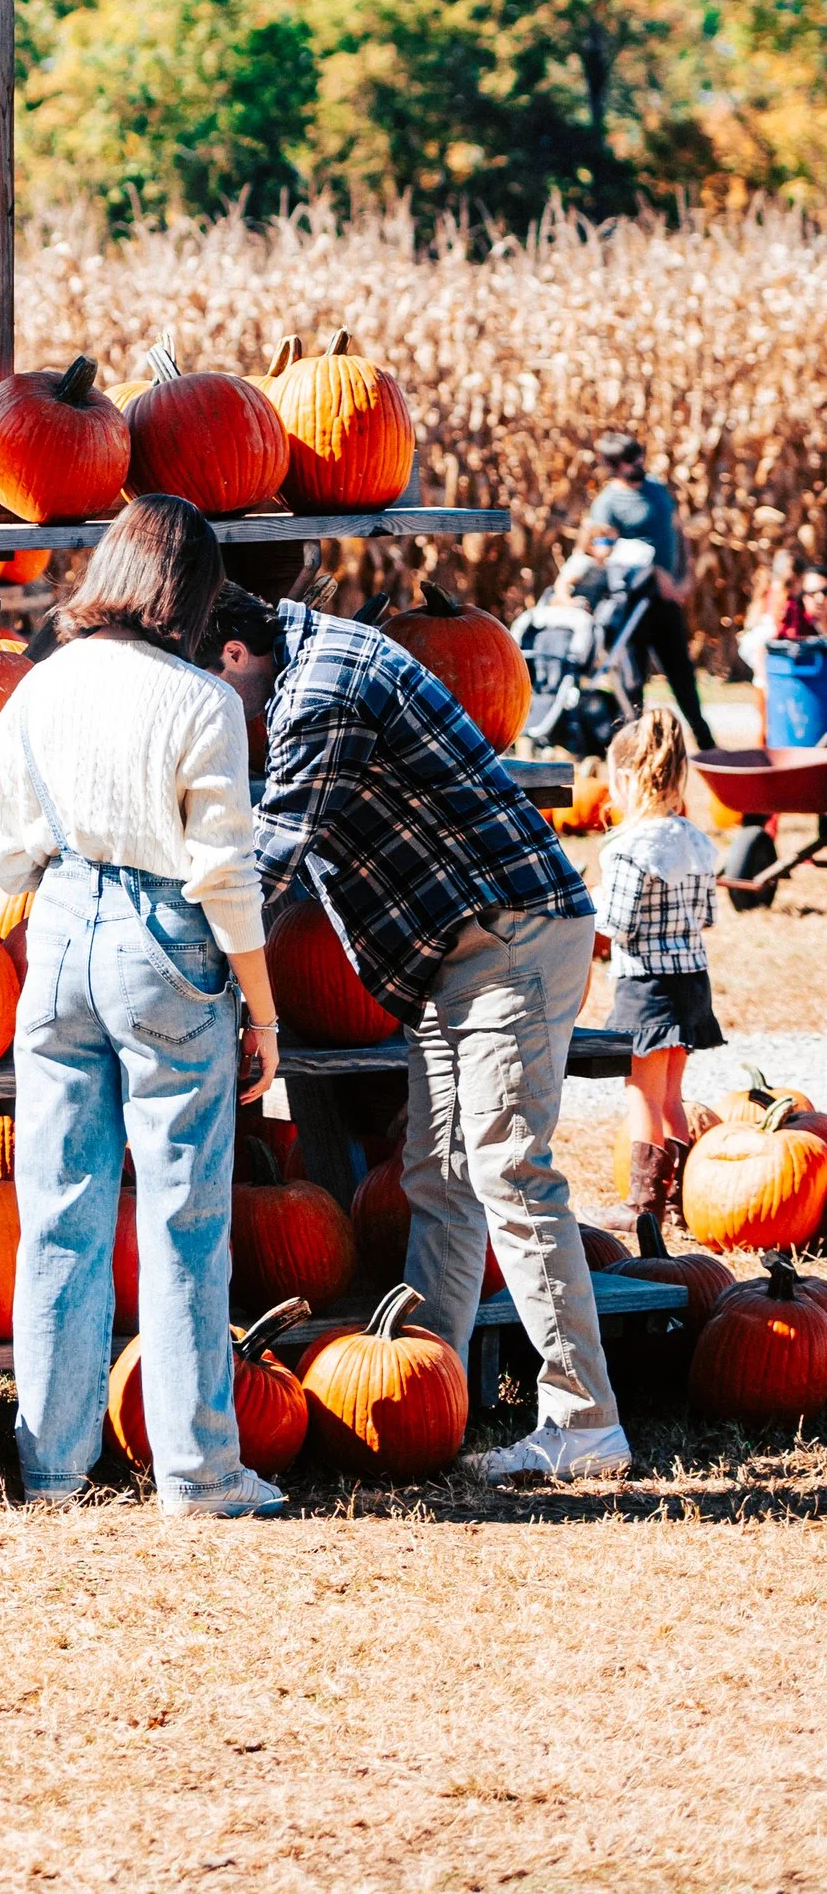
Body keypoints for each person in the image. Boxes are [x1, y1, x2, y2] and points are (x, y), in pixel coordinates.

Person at [216, 581, 627, 1482]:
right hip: (460, 945)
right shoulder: (307, 661)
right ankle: (429, 1386)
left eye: (215, 689)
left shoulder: (321, 689)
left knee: (509, 1167)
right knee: (440, 1174)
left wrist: (181, 948)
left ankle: (584, 1418)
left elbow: (274, 854)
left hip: (509, 931)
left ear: (234, 654)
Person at [0, 494, 284, 1520]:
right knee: (182, 1213)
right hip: (164, 941)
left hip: (59, 928)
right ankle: (198, 1473)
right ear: (191, 594)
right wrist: (265, 1014)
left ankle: (51, 1466)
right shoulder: (202, 701)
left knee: (56, 1208)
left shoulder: (38, 685)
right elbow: (225, 874)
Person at [594, 710, 724, 1251]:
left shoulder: (628, 848)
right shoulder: (695, 841)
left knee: (640, 1096)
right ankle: (683, 1201)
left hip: (646, 984)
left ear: (626, 778)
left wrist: (589, 911)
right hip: (691, 981)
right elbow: (708, 916)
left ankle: (642, 1206)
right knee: (672, 1095)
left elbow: (616, 925)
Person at [583, 431, 712, 749]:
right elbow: (602, 551)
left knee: (681, 671)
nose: (638, 461)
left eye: (638, 453)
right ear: (614, 466)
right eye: (629, 459)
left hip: (666, 601)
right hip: (632, 604)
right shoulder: (608, 504)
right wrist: (653, 571)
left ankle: (706, 742)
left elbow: (678, 531)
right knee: (632, 680)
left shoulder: (656, 488)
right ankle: (636, 749)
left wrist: (685, 577)